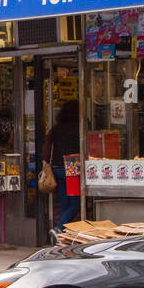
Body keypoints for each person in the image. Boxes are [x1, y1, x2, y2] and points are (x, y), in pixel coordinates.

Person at [47, 99, 81, 233]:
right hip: (71, 168)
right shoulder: (78, 127)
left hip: (57, 168)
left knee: (64, 203)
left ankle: (59, 231)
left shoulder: (57, 128)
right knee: (75, 204)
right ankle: (59, 228)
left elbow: (48, 145)